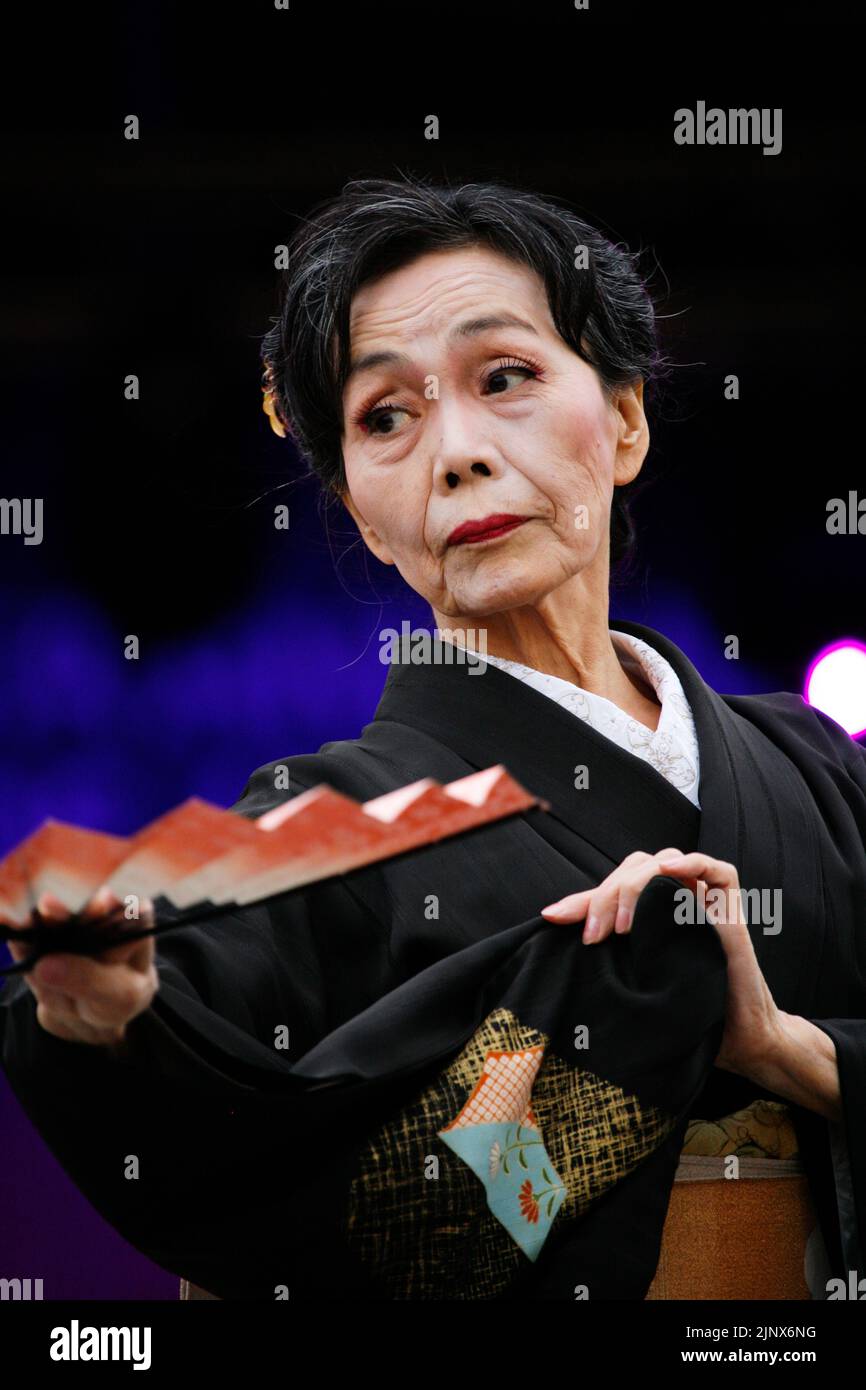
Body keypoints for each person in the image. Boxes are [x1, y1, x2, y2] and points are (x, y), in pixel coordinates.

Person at [1, 176, 864, 1301]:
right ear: (362, 508)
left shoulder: (816, 763)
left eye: (503, 377)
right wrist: (110, 1019)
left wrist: (789, 1050)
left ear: (625, 418)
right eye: (385, 418)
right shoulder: (336, 828)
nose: (453, 451)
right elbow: (183, 1015)